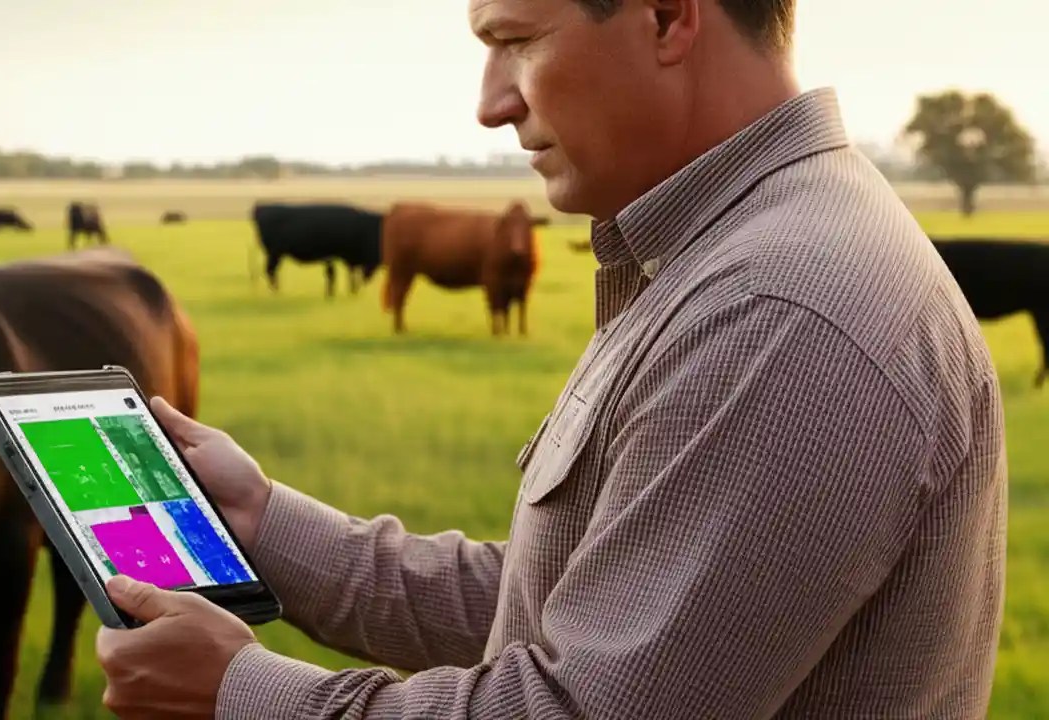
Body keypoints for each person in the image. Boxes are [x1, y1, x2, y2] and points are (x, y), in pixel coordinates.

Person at [96, 0, 1008, 717]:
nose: (491, 102)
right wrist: (259, 522)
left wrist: (244, 693)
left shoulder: (775, 311)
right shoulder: (749, 252)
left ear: (666, 16)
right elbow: (577, 604)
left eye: (517, 41)